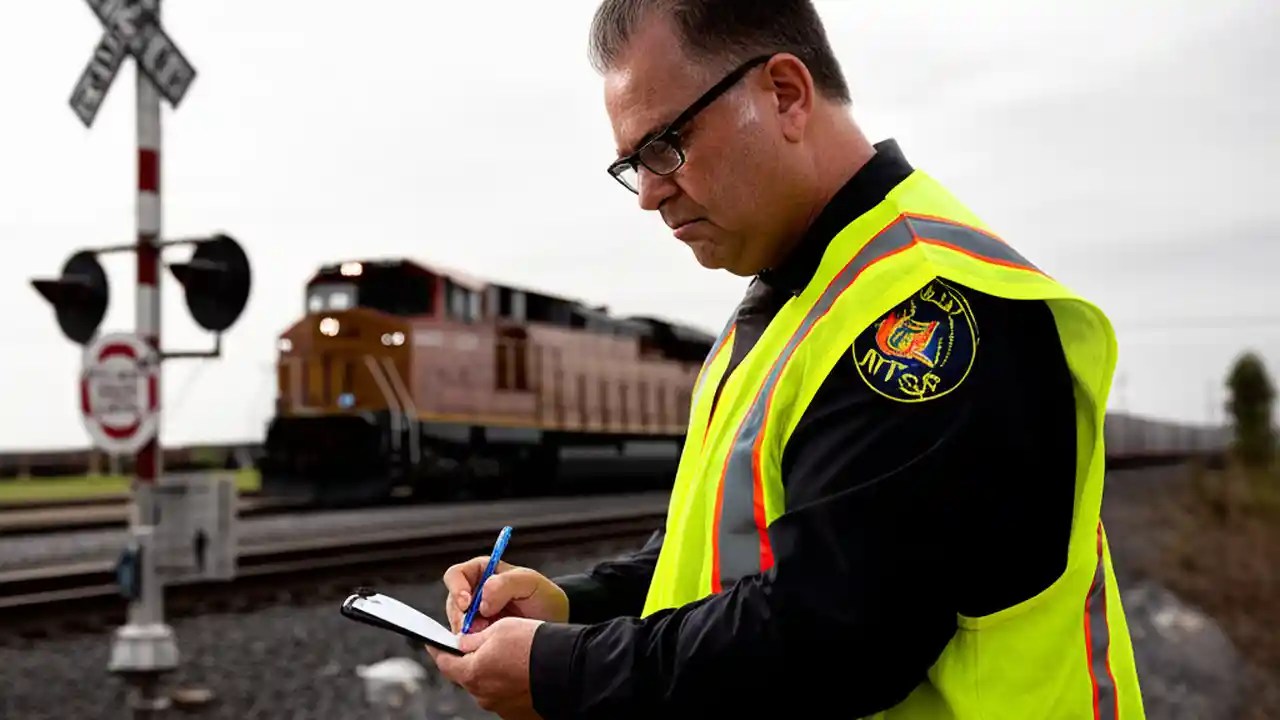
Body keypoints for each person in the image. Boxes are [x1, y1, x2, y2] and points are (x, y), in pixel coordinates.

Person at [428, 1, 1147, 718]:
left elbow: (833, 635)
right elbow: (732, 553)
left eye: (665, 146)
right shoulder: (794, 305)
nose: (648, 195)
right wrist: (576, 603)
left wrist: (565, 670)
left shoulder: (927, 311)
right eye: (631, 165)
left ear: (785, 95)